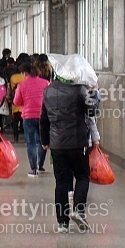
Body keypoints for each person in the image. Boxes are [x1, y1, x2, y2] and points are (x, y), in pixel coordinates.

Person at [40, 74, 99, 233]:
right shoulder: (79, 90)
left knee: (61, 182)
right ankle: (79, 211)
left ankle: (62, 223)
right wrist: (94, 94)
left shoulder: (48, 91)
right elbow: (92, 111)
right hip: (78, 143)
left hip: (57, 144)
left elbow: (44, 119)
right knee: (82, 176)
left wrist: (45, 140)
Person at [13, 63, 50, 177]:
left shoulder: (22, 85)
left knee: (31, 143)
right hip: (43, 116)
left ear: (25, 73)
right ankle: (40, 165)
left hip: (28, 116)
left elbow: (17, 102)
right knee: (42, 141)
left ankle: (34, 169)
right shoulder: (46, 83)